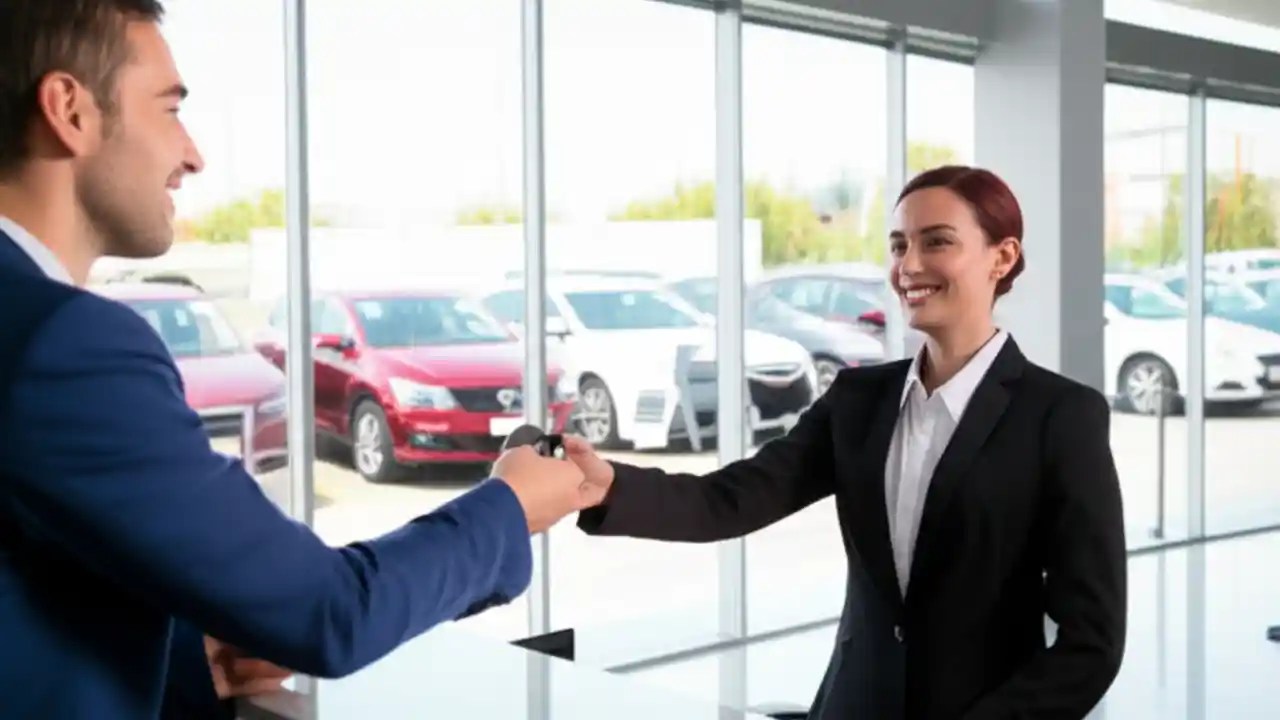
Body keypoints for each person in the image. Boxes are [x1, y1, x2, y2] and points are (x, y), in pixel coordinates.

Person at [0, 2, 590, 718]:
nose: (192, 155)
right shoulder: (64, 342)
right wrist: (513, 504)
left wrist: (184, 657)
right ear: (69, 110)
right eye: (169, 110)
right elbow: (330, 612)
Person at [568, 165, 1128, 719]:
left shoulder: (1060, 416)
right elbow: (730, 500)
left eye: (937, 242)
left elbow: (1092, 644)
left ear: (1001, 258)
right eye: (898, 245)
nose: (908, 266)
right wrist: (608, 486)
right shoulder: (859, 401)